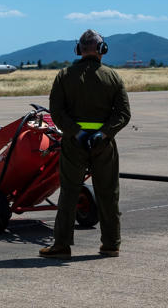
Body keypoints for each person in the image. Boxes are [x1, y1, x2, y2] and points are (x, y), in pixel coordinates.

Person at [40, 29, 131, 259]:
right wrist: (103, 134)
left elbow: (57, 112)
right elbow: (123, 113)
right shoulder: (113, 77)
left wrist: (77, 133)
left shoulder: (64, 75)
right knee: (108, 193)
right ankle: (111, 244)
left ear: (79, 50)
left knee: (69, 193)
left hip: (74, 143)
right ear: (102, 50)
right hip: (104, 144)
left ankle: (61, 245)